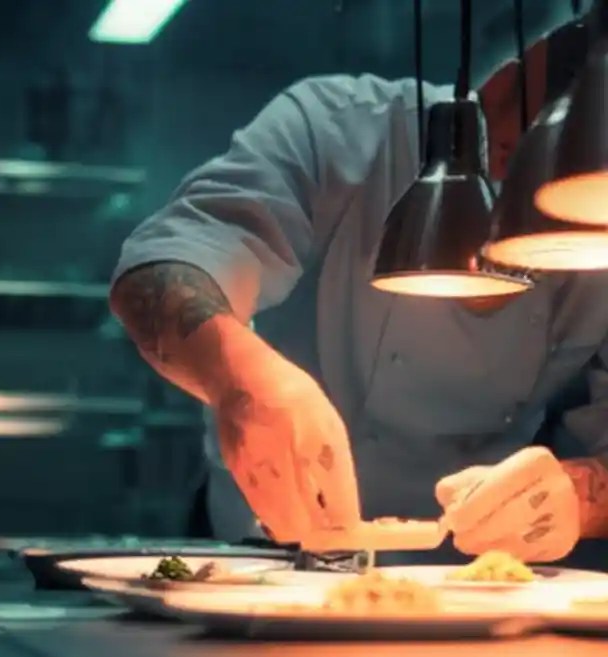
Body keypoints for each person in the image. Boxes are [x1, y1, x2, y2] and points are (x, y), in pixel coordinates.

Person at [108, 18, 602, 564]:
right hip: (259, 558)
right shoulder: (339, 131)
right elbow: (161, 266)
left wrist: (579, 496)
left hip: (467, 583)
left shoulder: (592, 207)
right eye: (523, 80)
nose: (526, 117)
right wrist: (240, 379)